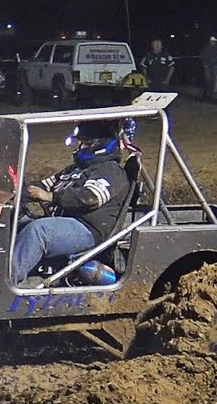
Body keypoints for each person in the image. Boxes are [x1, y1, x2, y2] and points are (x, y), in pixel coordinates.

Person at [13, 119, 131, 287]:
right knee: (15, 220)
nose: (79, 148)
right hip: (64, 223)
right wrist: (16, 191)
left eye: (84, 143)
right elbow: (43, 186)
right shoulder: (74, 170)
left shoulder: (111, 171)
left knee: (39, 231)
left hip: (87, 230)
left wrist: (49, 197)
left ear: (99, 145)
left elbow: (90, 198)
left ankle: (6, 283)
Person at [200, 36, 217, 102]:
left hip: (214, 66)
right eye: (212, 41)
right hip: (208, 67)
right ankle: (207, 95)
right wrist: (205, 65)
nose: (213, 43)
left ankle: (211, 95)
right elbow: (202, 56)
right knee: (207, 81)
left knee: (213, 81)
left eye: (214, 42)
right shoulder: (206, 48)